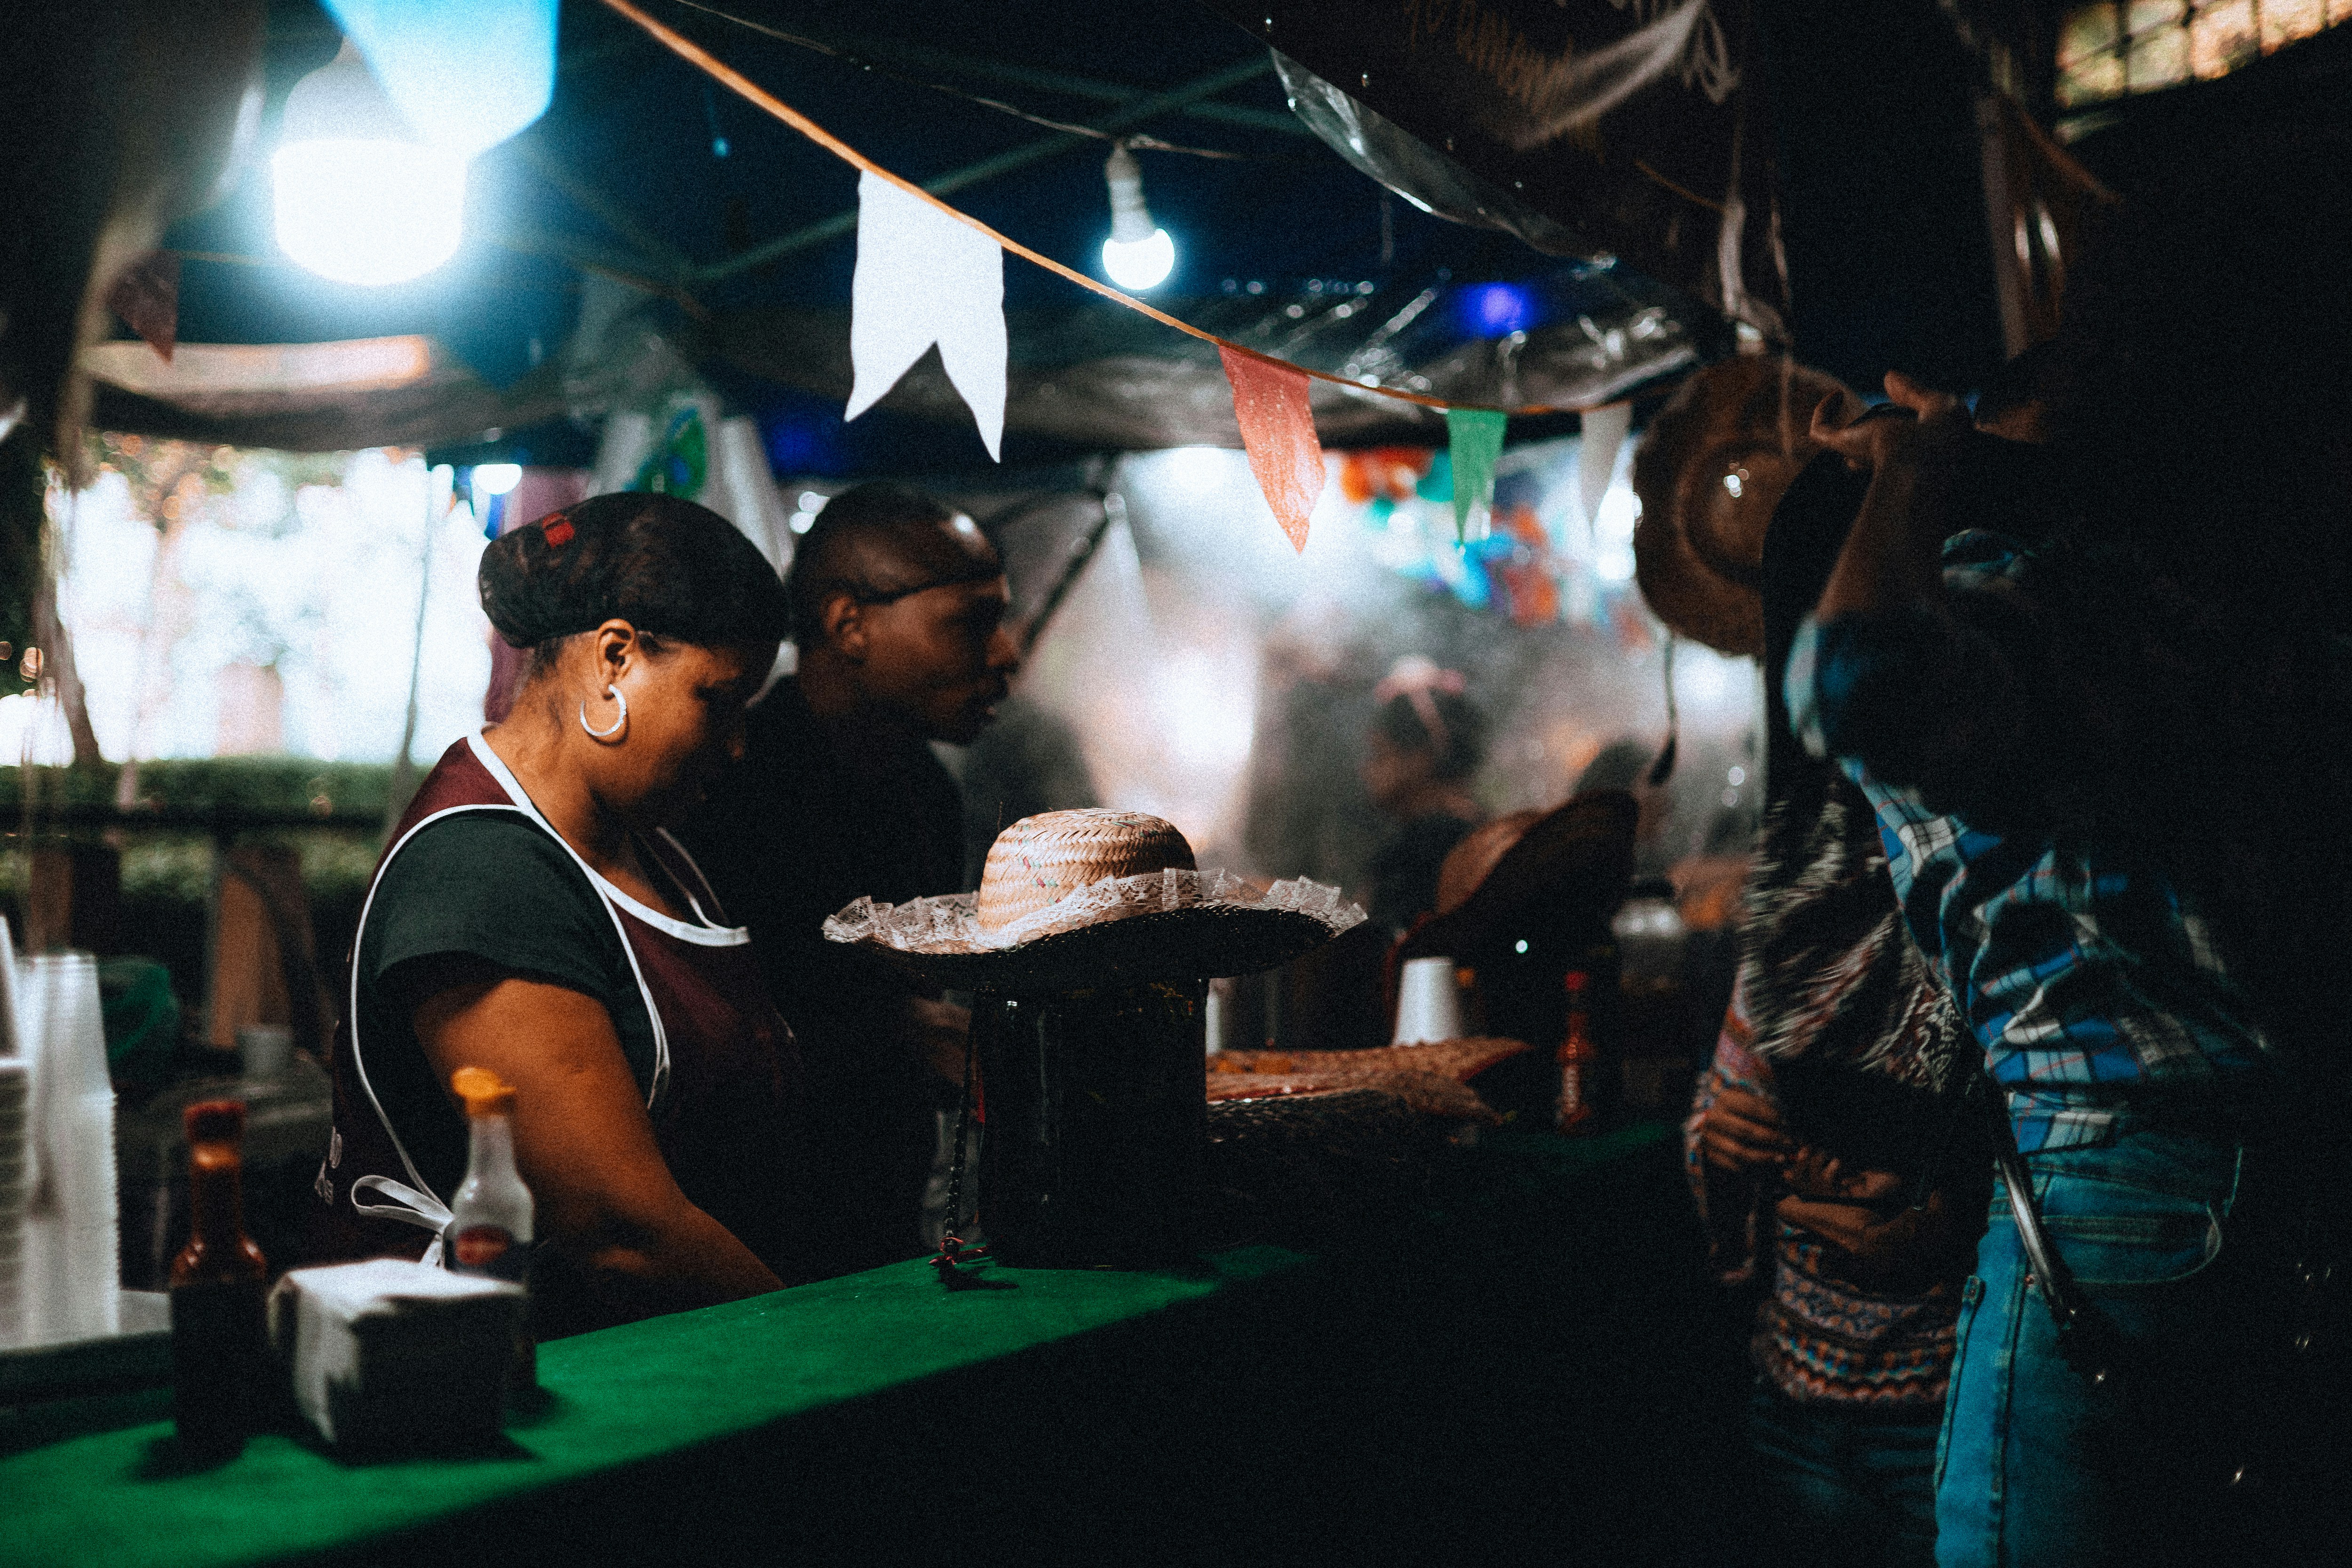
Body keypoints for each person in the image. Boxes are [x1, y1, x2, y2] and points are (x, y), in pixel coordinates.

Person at [1791, 138, 2352, 1565]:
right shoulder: (2244, 602)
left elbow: (1857, 678)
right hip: (2292, 1178)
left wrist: (1909, 476)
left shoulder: (2050, 612)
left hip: (2121, 1200)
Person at [314, 492, 807, 1337]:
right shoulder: (480, 875)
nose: (735, 747)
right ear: (615, 657)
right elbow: (622, 1233)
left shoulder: (655, 849)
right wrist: (823, 1338)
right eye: (717, 701)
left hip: (662, 1367)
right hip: (475, 1378)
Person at [683, 483, 1017, 1277]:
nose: (1007, 654)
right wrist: (896, 1031)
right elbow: (708, 1027)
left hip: (883, 1220)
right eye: (971, 622)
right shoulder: (733, 781)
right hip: (740, 1247)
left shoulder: (927, 788)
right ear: (848, 624)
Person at [1359, 656, 1486, 936]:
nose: (1366, 770)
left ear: (1421, 757)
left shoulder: (1421, 853)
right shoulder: (1482, 835)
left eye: (1380, 754)